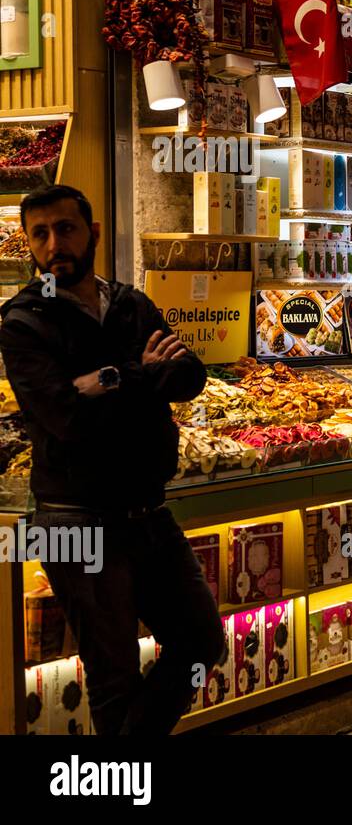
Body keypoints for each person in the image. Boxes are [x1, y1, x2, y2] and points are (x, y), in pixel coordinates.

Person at [0, 184, 223, 735]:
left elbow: (190, 376)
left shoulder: (128, 302)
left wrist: (109, 382)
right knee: (113, 674)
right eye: (41, 234)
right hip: (73, 518)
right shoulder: (25, 321)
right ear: (28, 244)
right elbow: (67, 418)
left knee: (201, 642)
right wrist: (141, 374)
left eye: (67, 228)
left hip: (146, 510)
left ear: (93, 232)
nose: (55, 244)